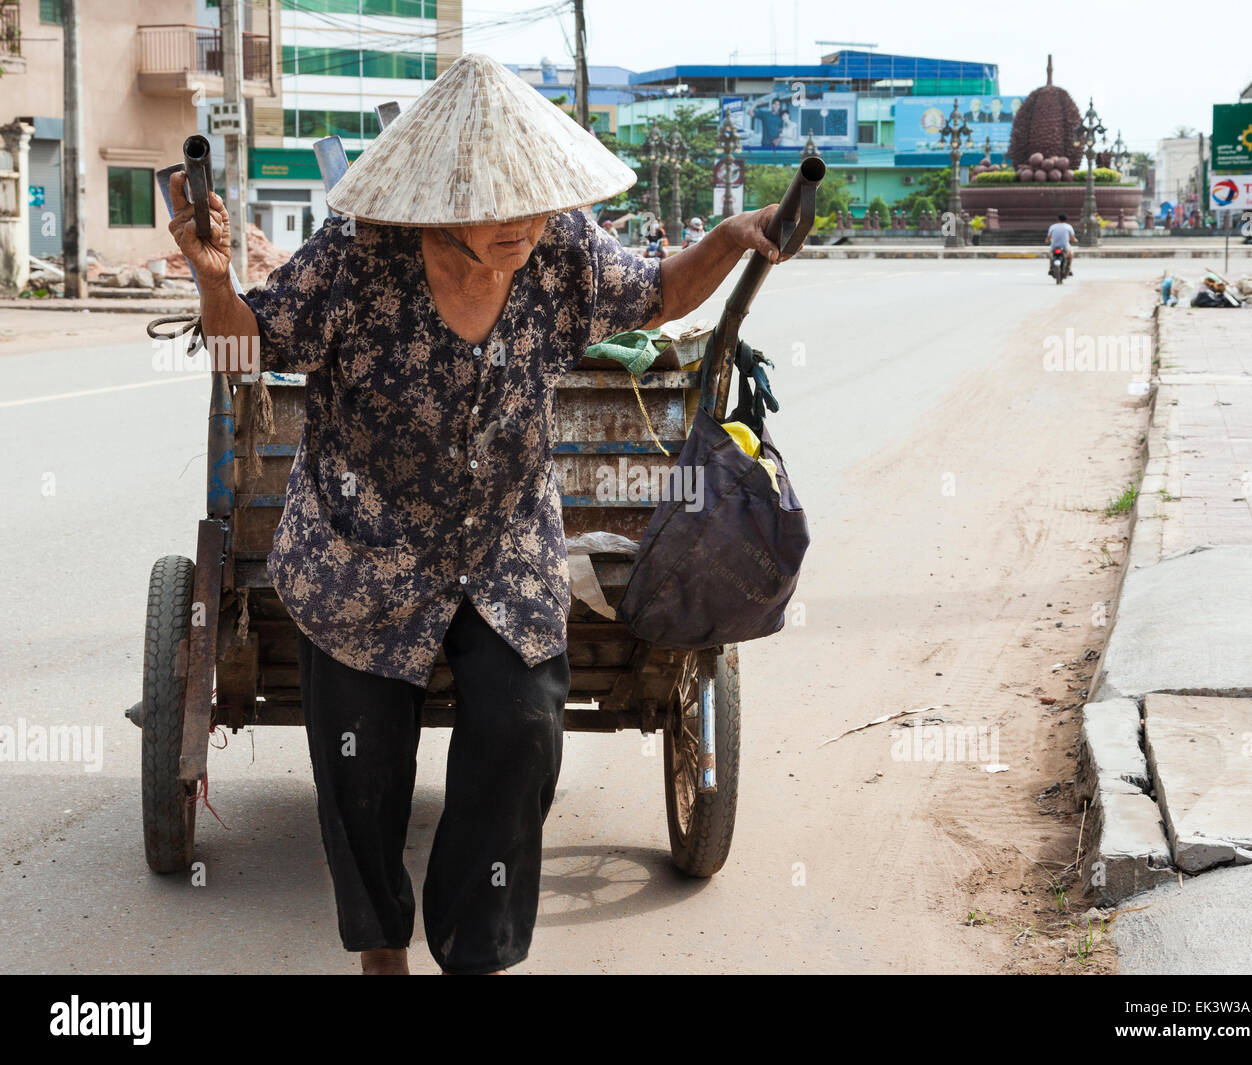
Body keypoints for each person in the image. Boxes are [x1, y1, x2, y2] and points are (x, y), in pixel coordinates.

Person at [166, 53, 803, 976]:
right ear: (440, 201)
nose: (528, 227)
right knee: (360, 762)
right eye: (503, 209)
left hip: (502, 547)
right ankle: (382, 945)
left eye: (538, 203)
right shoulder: (358, 253)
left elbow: (657, 290)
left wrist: (732, 239)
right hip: (362, 550)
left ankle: (475, 946)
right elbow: (248, 346)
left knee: (523, 726)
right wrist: (215, 281)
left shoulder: (560, 248)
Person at [1046, 212, 1076, 276]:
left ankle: (1051, 268)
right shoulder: (1068, 227)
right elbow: (1073, 238)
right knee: (1070, 254)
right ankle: (1069, 268)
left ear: (1058, 219)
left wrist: (1048, 241)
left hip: (1054, 246)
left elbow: (1048, 238)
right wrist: (1075, 240)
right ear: (1066, 219)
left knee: (1051, 255)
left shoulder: (1052, 227)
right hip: (1065, 246)